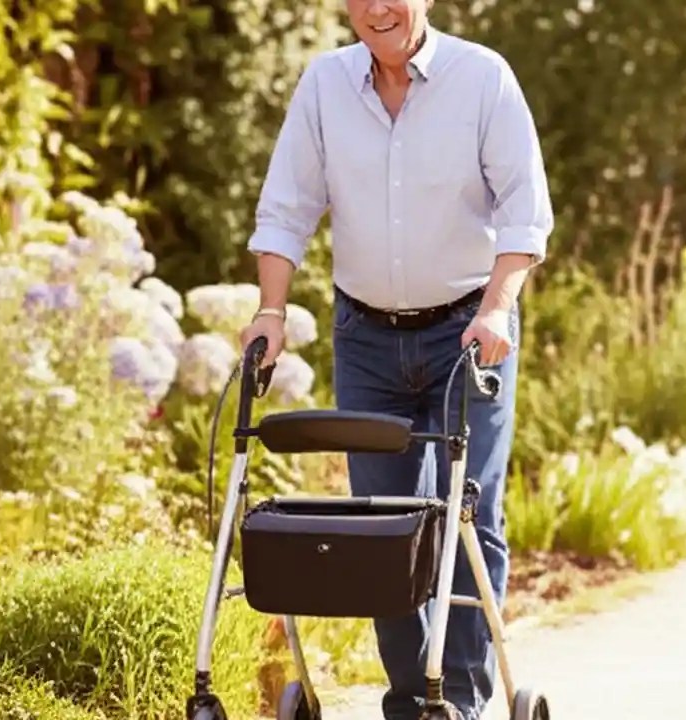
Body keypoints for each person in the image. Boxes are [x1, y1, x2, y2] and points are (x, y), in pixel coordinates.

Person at [238, 1, 553, 717]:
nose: (380, 7)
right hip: (367, 337)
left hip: (469, 330)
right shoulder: (324, 85)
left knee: (469, 514)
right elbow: (286, 208)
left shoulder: (483, 78)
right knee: (380, 525)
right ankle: (413, 703)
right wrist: (270, 310)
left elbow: (523, 211)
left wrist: (498, 307)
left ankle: (463, 701)